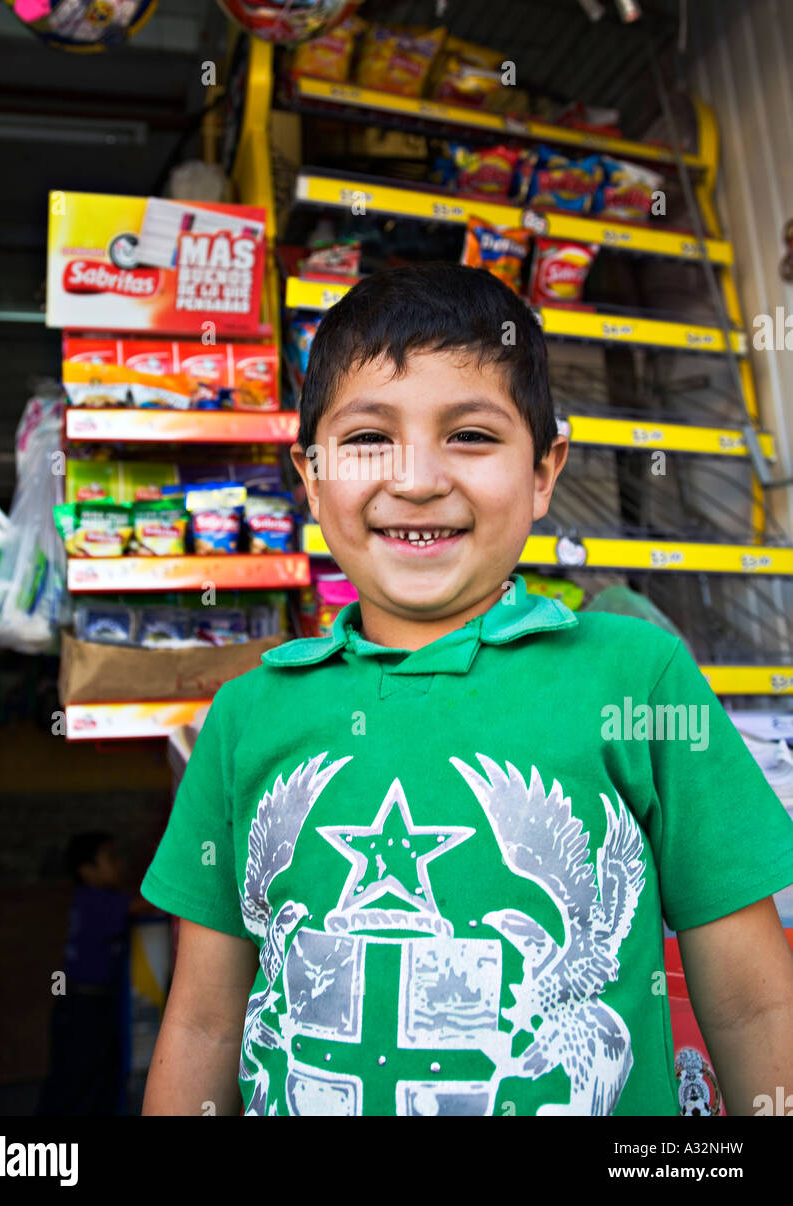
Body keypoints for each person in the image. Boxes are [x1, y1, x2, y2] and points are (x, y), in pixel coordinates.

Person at [140, 262, 793, 1117]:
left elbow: (754, 1005)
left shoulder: (638, 677)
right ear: (309, 475)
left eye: (473, 437)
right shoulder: (244, 716)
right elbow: (201, 1027)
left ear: (545, 471)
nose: (416, 480)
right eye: (368, 437)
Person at [37, 831, 153, 1116]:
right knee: (77, 1086)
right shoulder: (95, 901)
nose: (120, 864)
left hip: (86, 1005)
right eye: (111, 858)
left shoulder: (95, 899)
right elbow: (146, 905)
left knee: (91, 1082)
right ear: (87, 871)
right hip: (83, 1009)